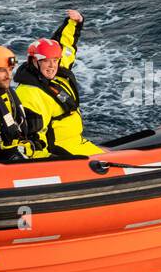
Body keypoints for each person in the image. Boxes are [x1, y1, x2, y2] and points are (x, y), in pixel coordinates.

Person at [15, 9, 104, 159]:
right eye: (45, 61)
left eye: (55, 60)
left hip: (76, 142)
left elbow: (65, 43)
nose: (52, 66)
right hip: (57, 151)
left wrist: (75, 22)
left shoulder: (58, 73)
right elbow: (31, 136)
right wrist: (45, 162)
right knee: (109, 163)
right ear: (34, 61)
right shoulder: (29, 93)